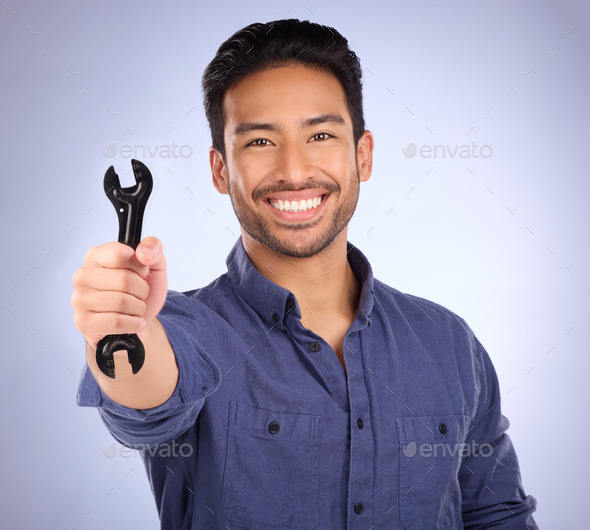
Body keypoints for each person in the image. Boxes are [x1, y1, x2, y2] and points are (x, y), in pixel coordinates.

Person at [72, 18, 538, 529]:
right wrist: (124, 326)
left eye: (320, 134)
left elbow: (496, 515)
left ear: (362, 154)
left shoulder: (449, 343)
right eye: (259, 142)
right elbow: (146, 402)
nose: (294, 171)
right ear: (220, 170)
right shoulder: (181, 328)